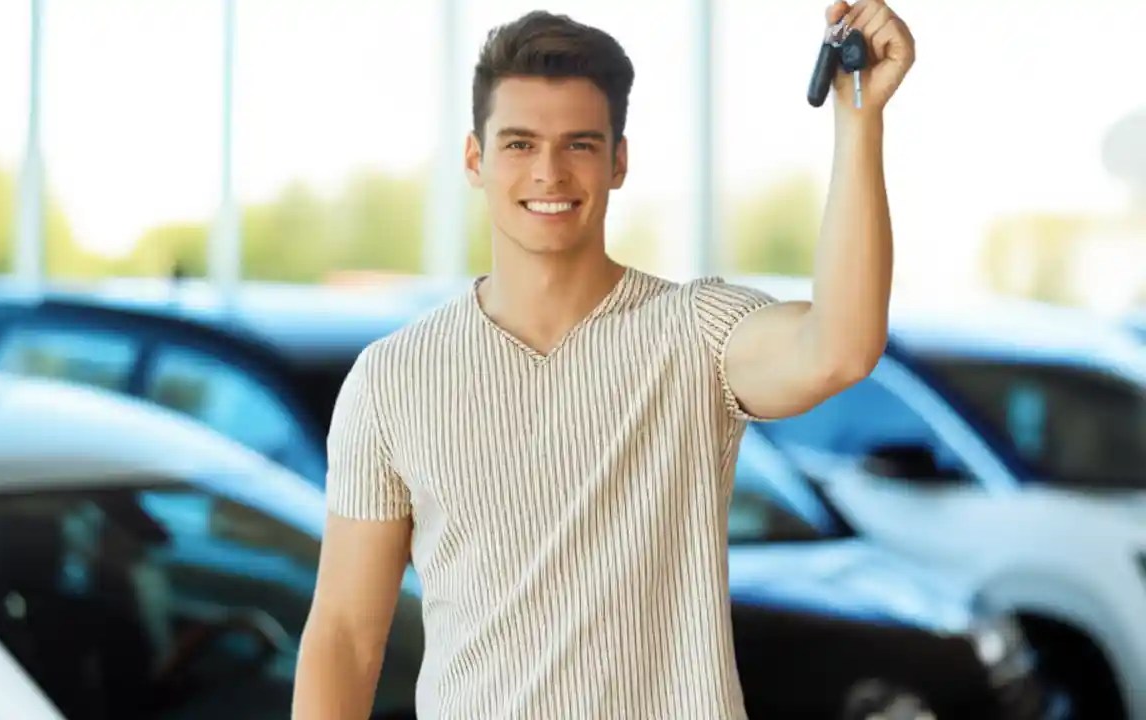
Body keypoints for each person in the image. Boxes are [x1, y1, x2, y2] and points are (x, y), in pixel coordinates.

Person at [292, 2, 915, 718]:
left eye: (580, 145)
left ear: (618, 161)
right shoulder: (390, 378)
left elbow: (840, 348)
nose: (550, 172)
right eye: (520, 144)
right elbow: (343, 636)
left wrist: (859, 119)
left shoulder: (695, 333)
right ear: (476, 160)